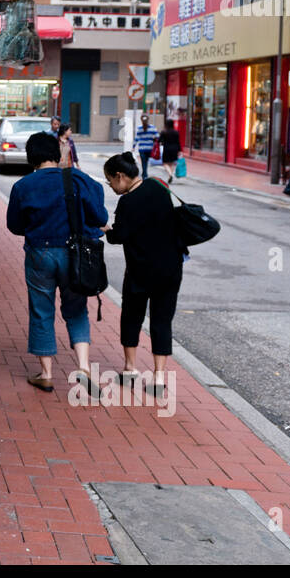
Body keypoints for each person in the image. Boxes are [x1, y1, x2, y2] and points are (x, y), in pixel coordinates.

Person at [7, 132, 108, 395]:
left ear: (31, 157)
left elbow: (15, 226)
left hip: (40, 254)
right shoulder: (80, 180)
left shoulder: (23, 186)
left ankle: (47, 374)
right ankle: (84, 367)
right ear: (58, 153)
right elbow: (100, 216)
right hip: (74, 255)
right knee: (76, 310)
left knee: (42, 311)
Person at [101, 152, 185, 399]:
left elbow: (119, 236)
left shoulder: (127, 202)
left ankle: (130, 369)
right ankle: (159, 377)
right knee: (162, 320)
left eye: (110, 182)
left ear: (120, 176)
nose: (112, 187)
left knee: (132, 317)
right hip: (170, 268)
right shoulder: (159, 185)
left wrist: (107, 229)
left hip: (140, 271)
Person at [134, 114, 158, 179]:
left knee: (143, 162)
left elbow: (136, 138)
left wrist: (133, 146)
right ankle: (145, 173)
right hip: (150, 148)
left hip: (142, 148)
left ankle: (144, 174)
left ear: (141, 120)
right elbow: (157, 136)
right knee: (146, 161)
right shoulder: (152, 127)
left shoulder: (139, 128)